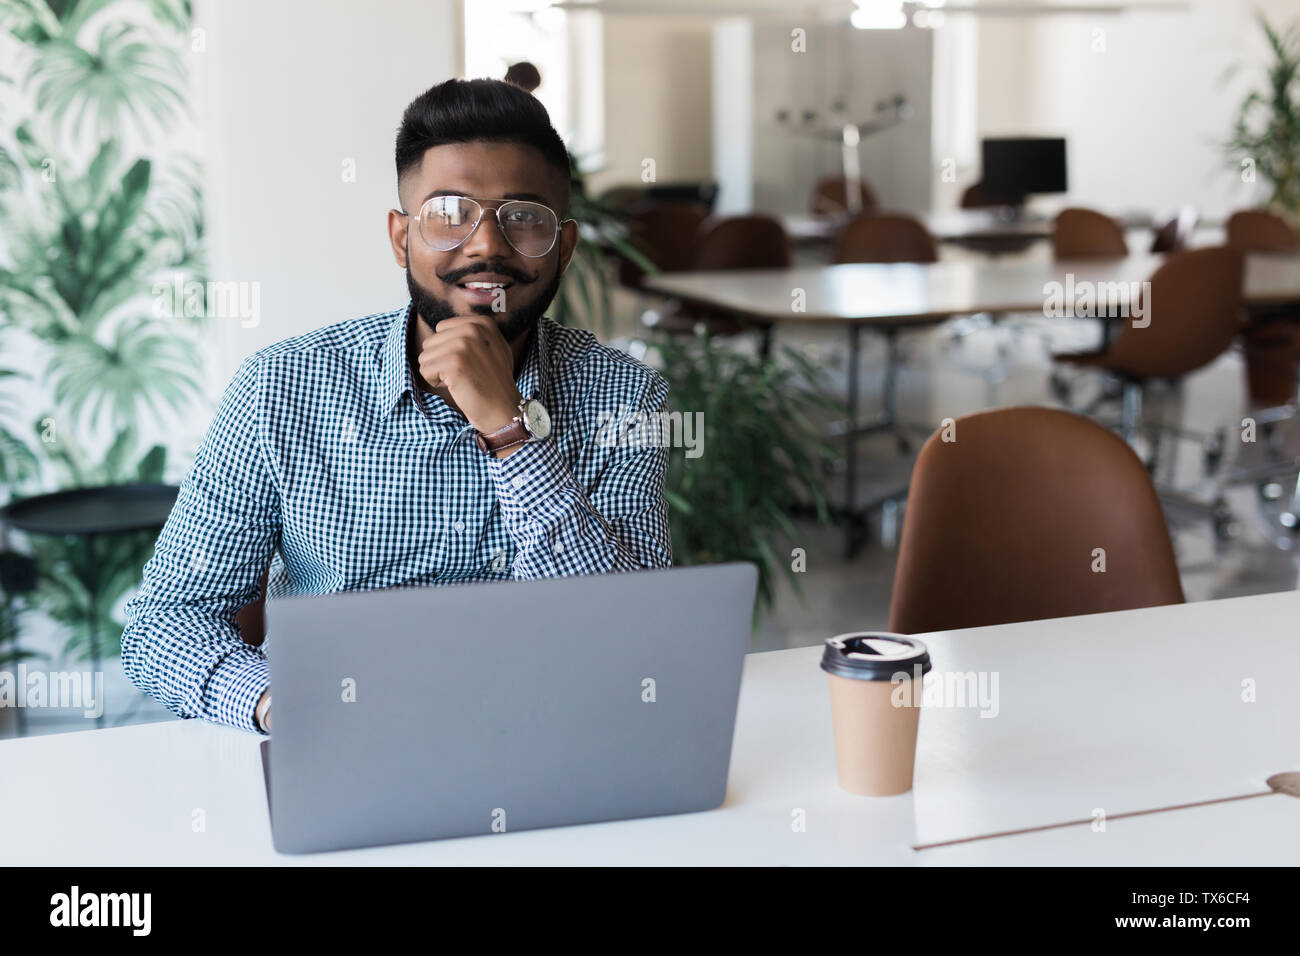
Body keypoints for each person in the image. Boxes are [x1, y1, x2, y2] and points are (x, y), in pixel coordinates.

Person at [122, 79, 671, 735]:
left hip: (556, 734)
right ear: (399, 237)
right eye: (449, 213)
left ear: (566, 245)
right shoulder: (282, 388)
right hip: (347, 737)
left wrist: (510, 431)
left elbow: (630, 638)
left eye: (524, 216)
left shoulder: (626, 394)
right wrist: (283, 706)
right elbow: (166, 620)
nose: (487, 246)